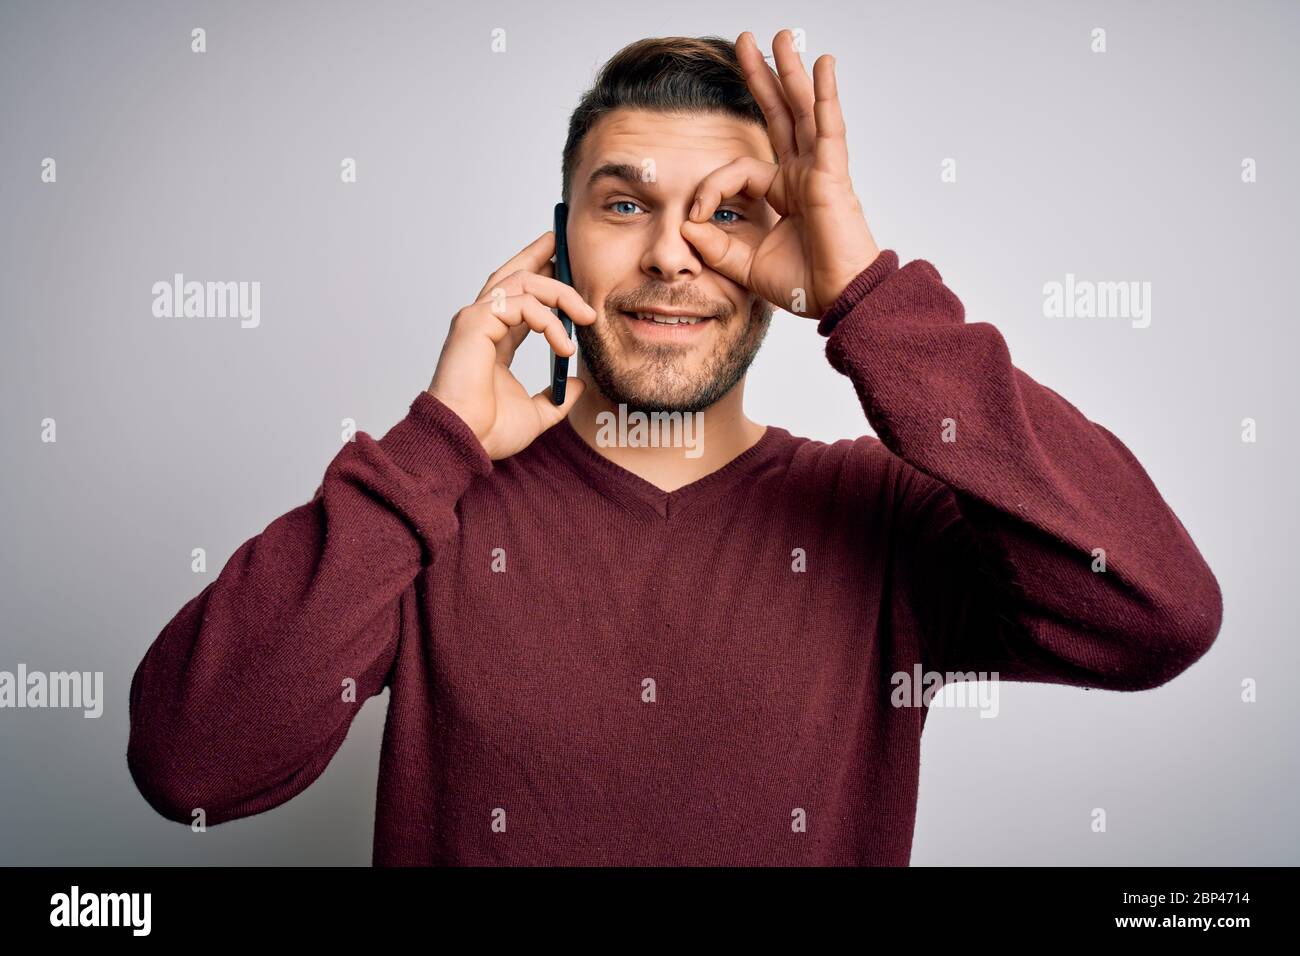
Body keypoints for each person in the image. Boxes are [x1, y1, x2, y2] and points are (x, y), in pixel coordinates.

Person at [127, 30, 1222, 865]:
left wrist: (869, 299)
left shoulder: (884, 517)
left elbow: (1159, 612)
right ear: (555, 236)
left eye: (729, 214)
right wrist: (436, 444)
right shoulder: (431, 508)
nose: (670, 257)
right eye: (622, 204)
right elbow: (191, 768)